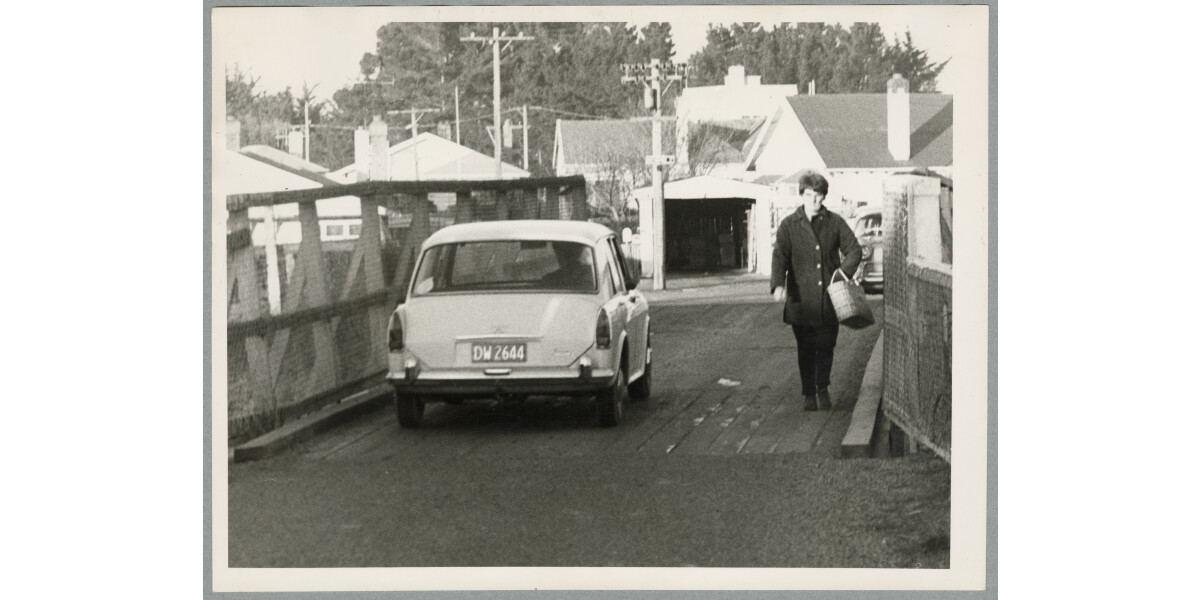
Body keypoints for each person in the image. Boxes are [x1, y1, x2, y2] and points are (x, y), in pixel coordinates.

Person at [770, 173, 862, 411]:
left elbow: (854, 250)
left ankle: (823, 387)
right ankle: (809, 392)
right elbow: (780, 256)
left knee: (827, 344)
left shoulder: (835, 222)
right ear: (802, 195)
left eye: (818, 195)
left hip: (829, 299)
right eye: (808, 195)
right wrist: (778, 284)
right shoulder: (789, 225)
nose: (813, 200)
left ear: (823, 196)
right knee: (806, 347)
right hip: (801, 300)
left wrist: (841, 275)